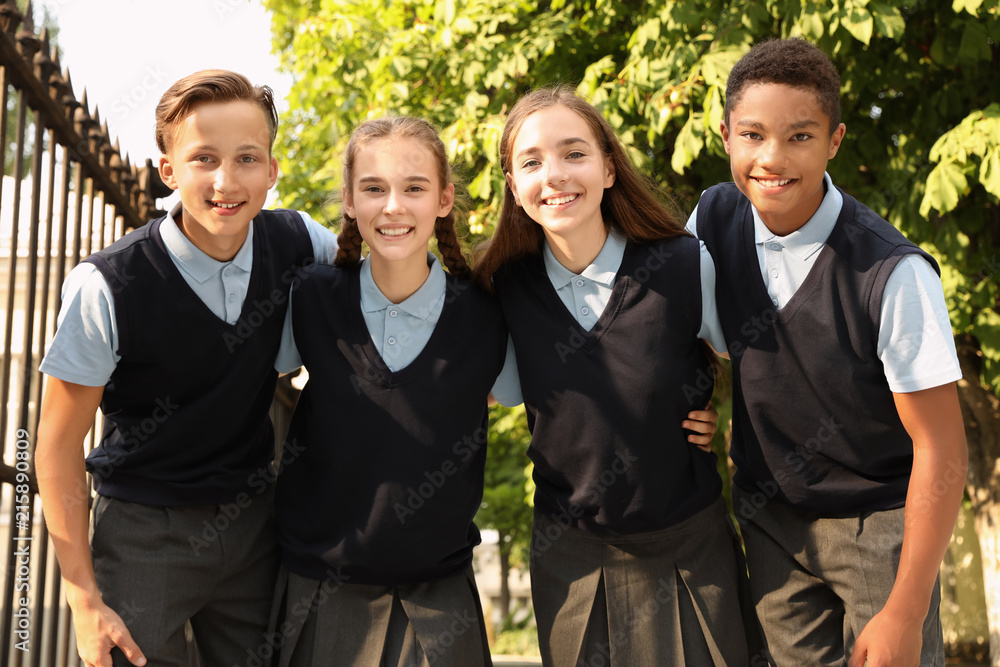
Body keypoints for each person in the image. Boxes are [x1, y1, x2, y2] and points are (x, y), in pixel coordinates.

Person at [34, 70, 339, 667]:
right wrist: (81, 596)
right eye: (204, 158)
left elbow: (391, 283)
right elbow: (54, 448)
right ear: (169, 171)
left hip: (255, 520)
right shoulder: (109, 285)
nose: (227, 181)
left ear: (272, 171)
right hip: (146, 530)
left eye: (247, 158)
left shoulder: (301, 240)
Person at [687, 38, 967, 667]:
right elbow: (678, 331)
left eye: (800, 137)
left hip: (880, 528)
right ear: (726, 133)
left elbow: (944, 445)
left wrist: (906, 609)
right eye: (753, 135)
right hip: (770, 520)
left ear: (835, 140)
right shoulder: (710, 219)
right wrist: (694, 402)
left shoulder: (892, 273)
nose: (772, 159)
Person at [475, 87, 760, 666]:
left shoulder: (683, 263)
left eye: (573, 154)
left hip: (688, 548)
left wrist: (722, 415)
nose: (553, 175)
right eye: (531, 162)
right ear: (513, 186)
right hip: (572, 559)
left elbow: (764, 363)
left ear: (608, 167)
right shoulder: (502, 292)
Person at [269, 116, 507, 666]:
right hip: (320, 587)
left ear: (445, 199)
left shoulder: (486, 312)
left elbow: (553, 393)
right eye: (373, 188)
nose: (393, 205)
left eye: (415, 187)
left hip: (440, 593)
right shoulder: (312, 298)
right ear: (349, 201)